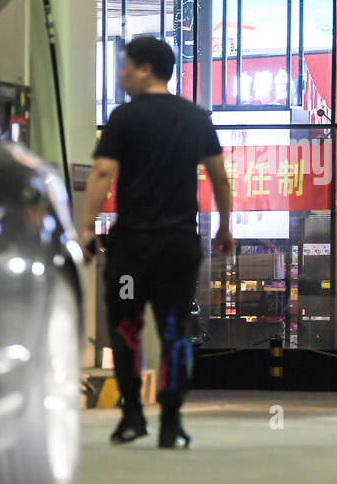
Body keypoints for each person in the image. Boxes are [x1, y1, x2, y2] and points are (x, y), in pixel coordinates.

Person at [77, 36, 233, 449]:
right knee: (174, 329)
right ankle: (171, 423)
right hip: (178, 245)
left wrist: (86, 228)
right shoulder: (195, 118)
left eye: (126, 65)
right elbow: (219, 177)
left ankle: (131, 417)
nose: (122, 73)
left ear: (145, 69)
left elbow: (102, 175)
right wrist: (225, 227)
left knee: (126, 328)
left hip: (132, 247)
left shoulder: (124, 118)